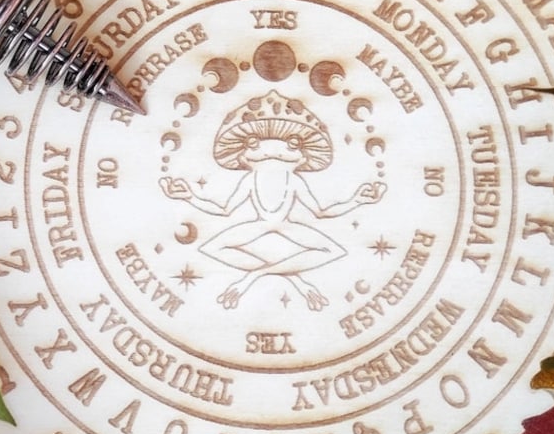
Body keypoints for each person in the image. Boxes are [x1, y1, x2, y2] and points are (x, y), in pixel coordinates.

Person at [160, 90, 385, 309]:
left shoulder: (294, 180)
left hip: (288, 226)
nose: (272, 152)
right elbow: (225, 209)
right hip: (258, 225)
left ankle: (252, 277)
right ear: (245, 154)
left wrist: (357, 201)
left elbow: (319, 212)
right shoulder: (250, 179)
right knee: (212, 248)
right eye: (254, 144)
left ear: (300, 155)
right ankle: (298, 282)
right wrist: (190, 197)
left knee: (334, 250)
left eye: (292, 144)